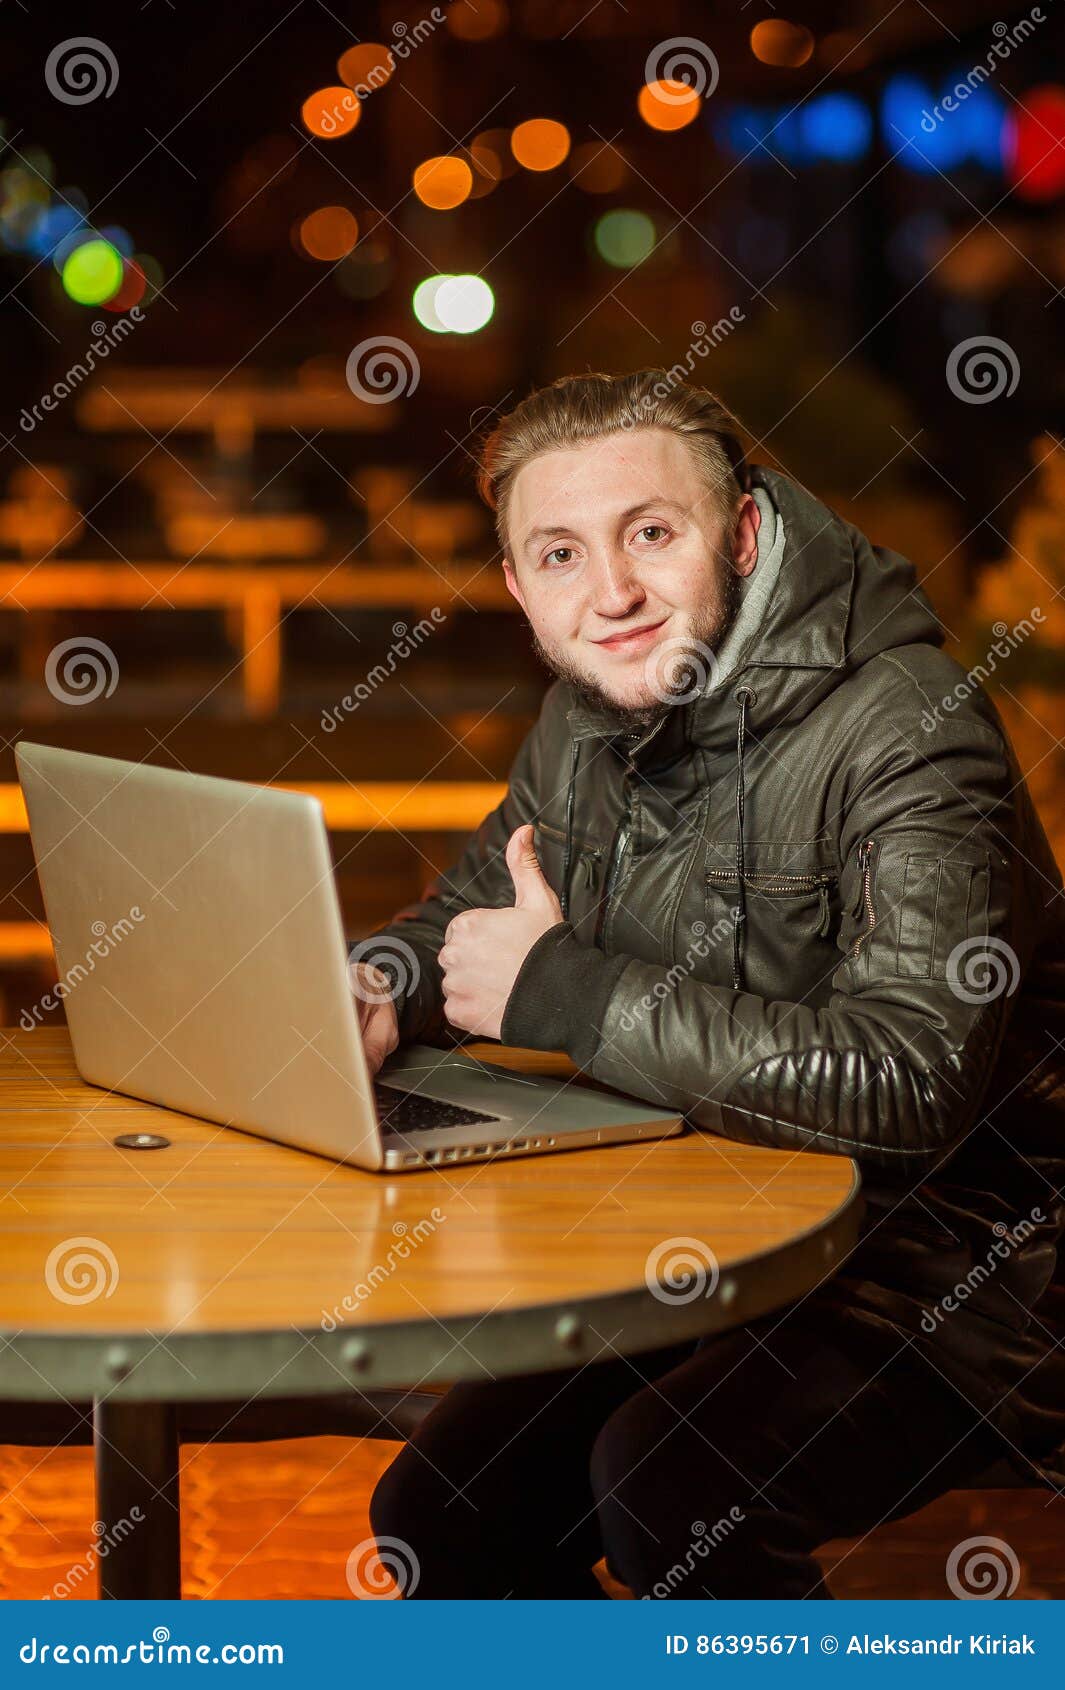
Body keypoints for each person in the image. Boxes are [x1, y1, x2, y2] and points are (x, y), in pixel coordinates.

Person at [350, 370, 1065, 1598]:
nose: (611, 593)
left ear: (739, 532)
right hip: (720, 1224)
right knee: (436, 1509)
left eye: (650, 533)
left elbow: (911, 1082)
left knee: (669, 1479)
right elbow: (474, 910)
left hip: (962, 1266)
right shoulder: (587, 713)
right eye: (561, 554)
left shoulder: (912, 728)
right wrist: (376, 983)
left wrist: (565, 993)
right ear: (517, 585)